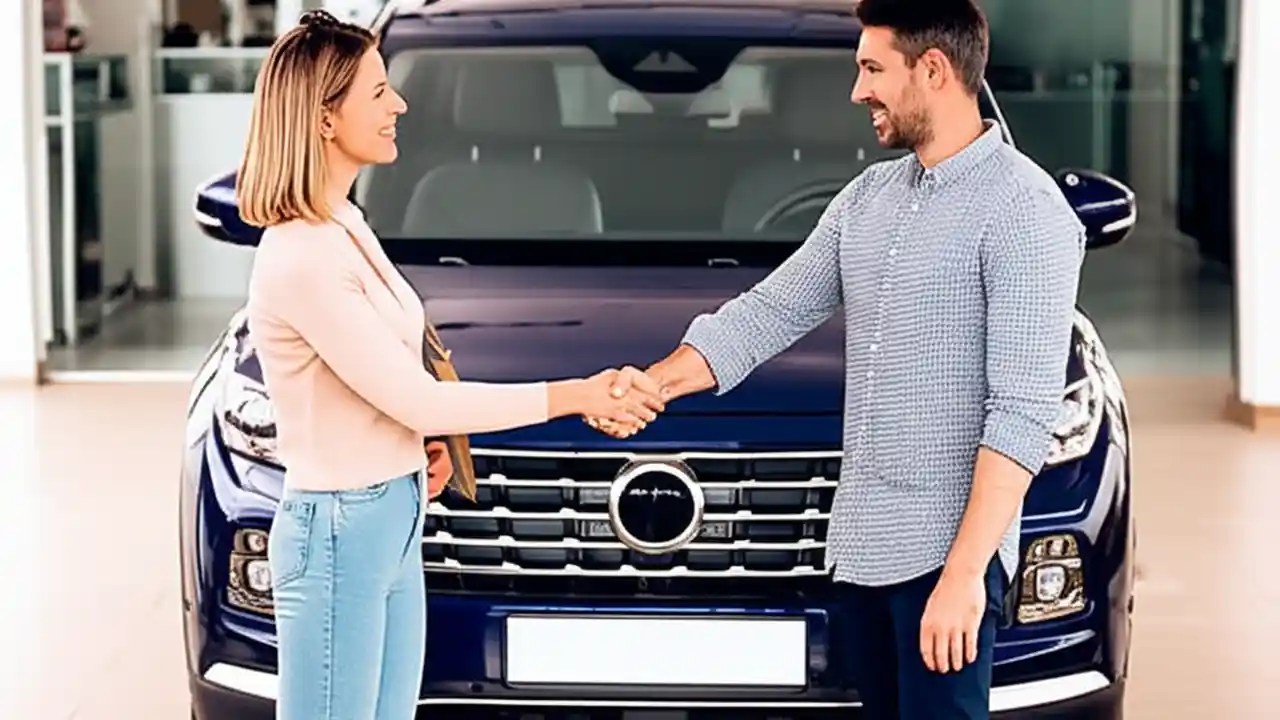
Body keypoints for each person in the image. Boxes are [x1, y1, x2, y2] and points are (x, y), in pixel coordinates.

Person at [591, 0, 1086, 717]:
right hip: (860, 552)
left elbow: (1020, 415)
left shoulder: (1025, 210)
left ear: (935, 70)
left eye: (873, 69)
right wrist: (651, 386)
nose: (858, 92)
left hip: (944, 563)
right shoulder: (868, 199)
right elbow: (769, 313)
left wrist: (964, 574)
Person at [237, 11, 664, 720]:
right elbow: (417, 397)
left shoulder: (345, 225)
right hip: (340, 528)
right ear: (323, 119)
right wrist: (576, 394)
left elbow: (393, 381)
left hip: (390, 513)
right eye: (379, 93)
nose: (398, 105)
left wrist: (415, 447)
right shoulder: (303, 254)